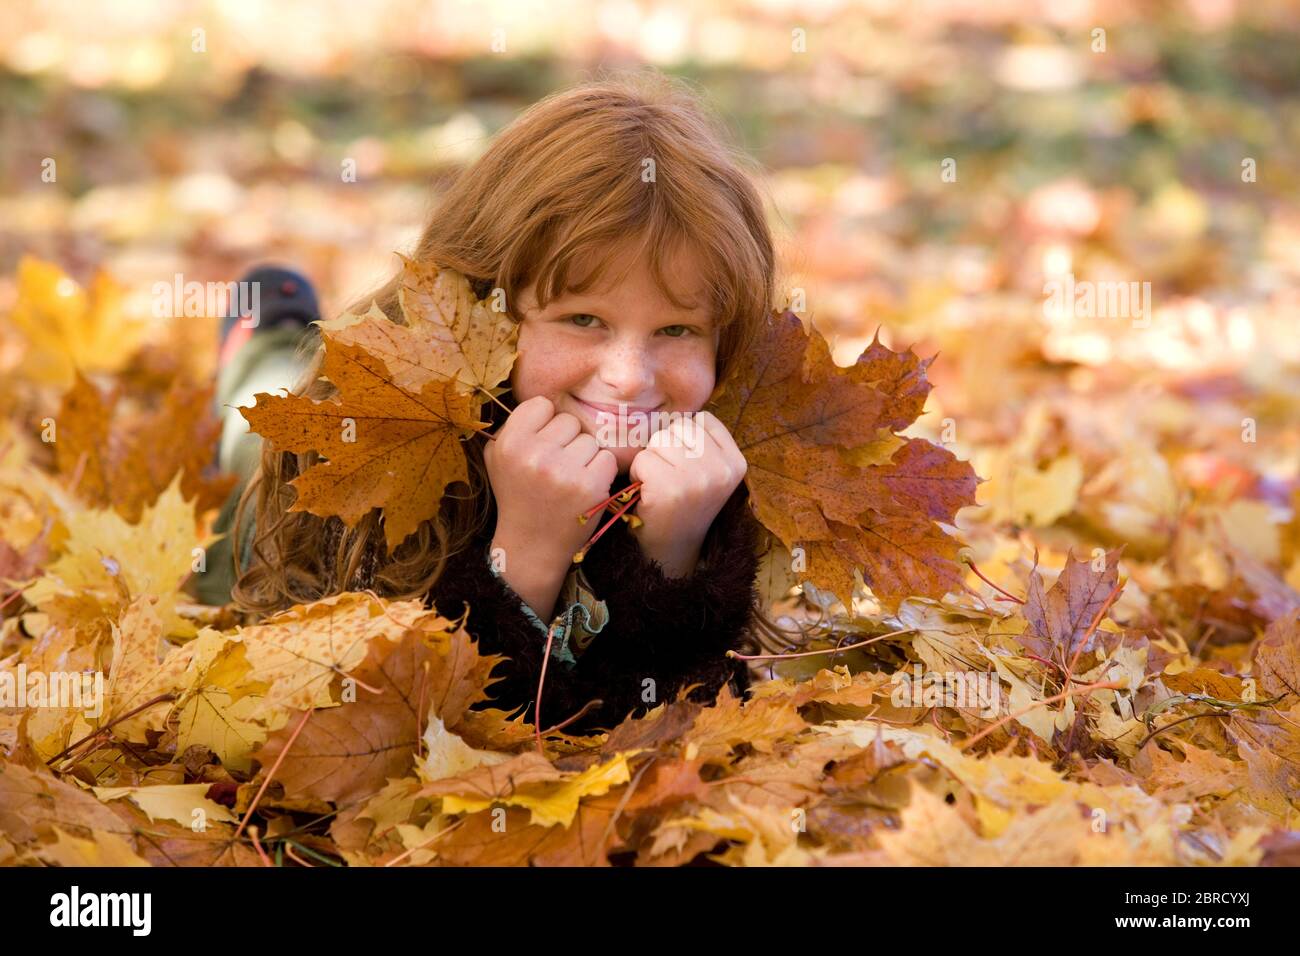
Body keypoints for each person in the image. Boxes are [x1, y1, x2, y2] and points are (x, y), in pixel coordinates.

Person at [226, 71, 781, 734]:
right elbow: (390, 736)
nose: (630, 377)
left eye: (677, 330)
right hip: (261, 492)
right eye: (582, 319)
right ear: (484, 307)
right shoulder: (386, 442)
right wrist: (524, 556)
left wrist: (671, 562)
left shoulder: (729, 464)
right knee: (241, 435)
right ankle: (263, 342)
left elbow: (650, 735)